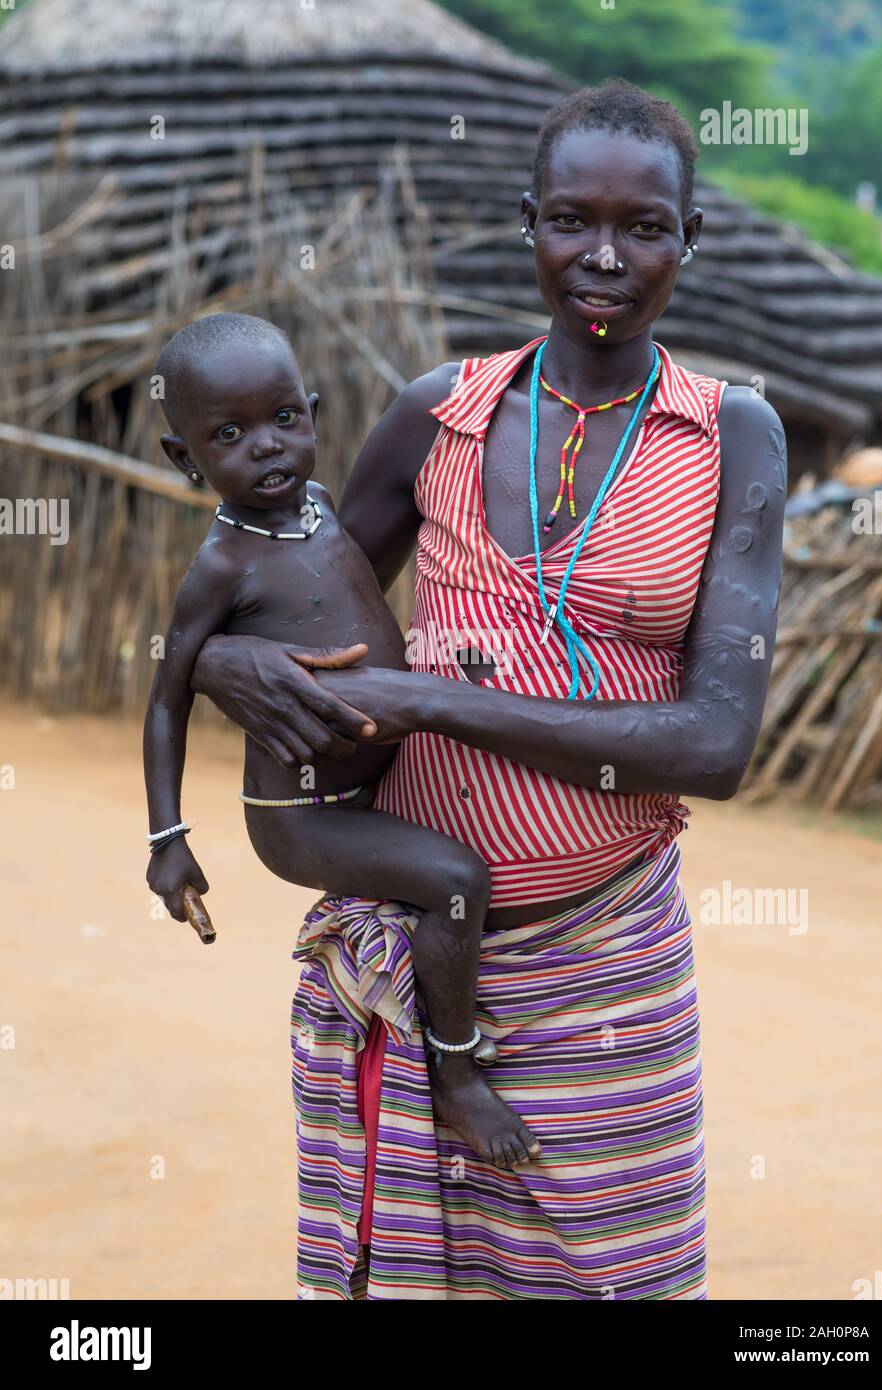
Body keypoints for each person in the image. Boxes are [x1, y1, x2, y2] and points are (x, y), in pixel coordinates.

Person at [189, 79, 787, 1300]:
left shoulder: (734, 436)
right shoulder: (436, 418)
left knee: (617, 1271)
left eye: (645, 227)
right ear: (528, 222)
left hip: (602, 962)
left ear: (690, 240)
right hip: (410, 954)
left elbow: (716, 745)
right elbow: (274, 594)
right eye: (571, 220)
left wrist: (432, 701)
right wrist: (213, 660)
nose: (604, 257)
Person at [142, 312, 539, 1169]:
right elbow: (167, 700)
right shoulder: (222, 566)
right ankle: (456, 1069)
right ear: (186, 460)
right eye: (229, 435)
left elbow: (358, 610)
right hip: (303, 814)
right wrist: (167, 840)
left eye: (285, 419)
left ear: (313, 412)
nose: (269, 448)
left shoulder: (321, 508)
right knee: (457, 880)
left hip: (368, 785)